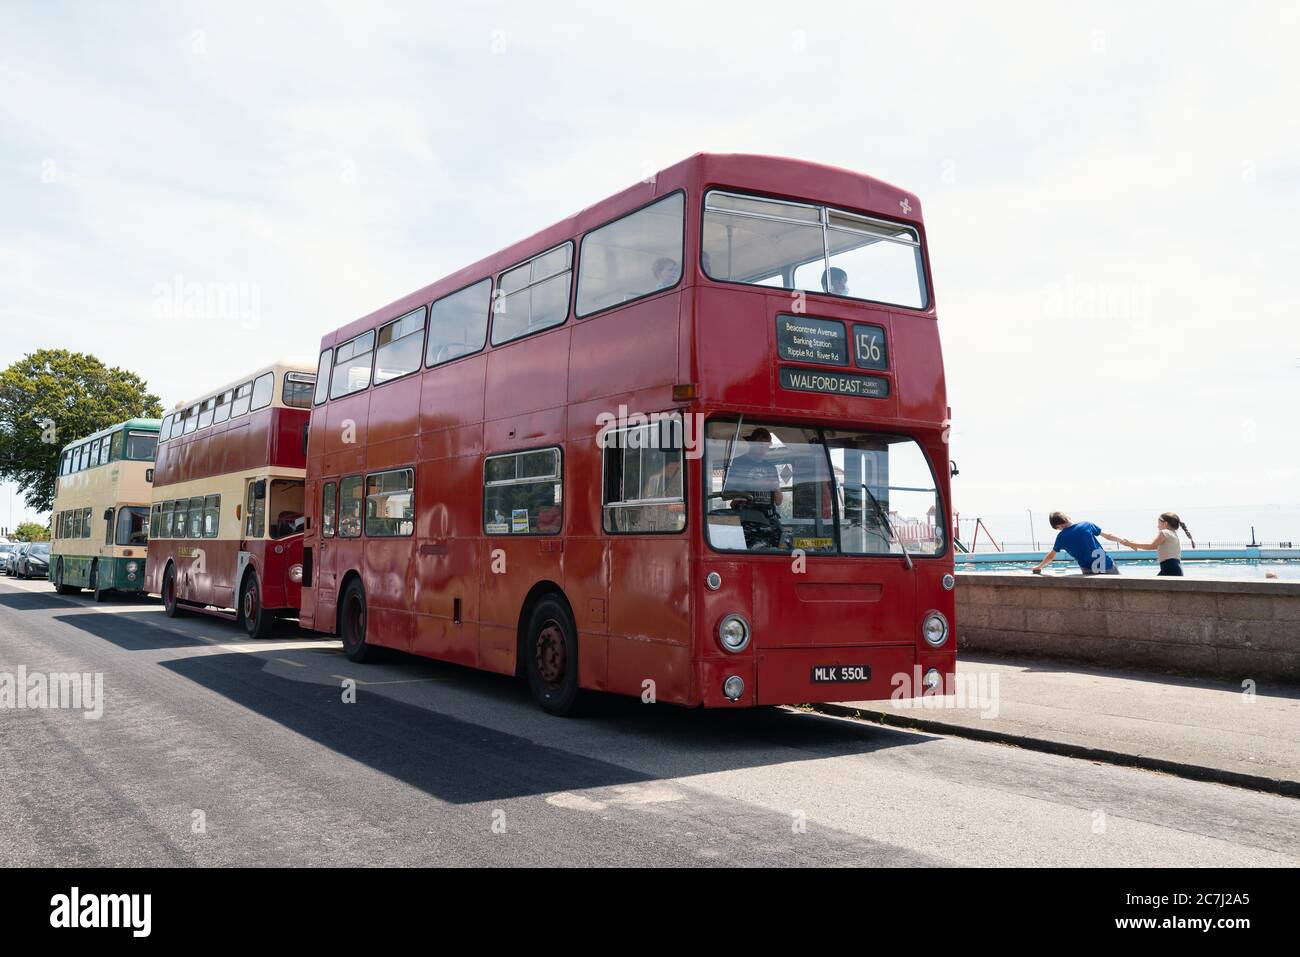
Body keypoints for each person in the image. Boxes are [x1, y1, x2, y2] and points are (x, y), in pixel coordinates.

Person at [1032, 511, 1120, 575]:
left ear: (1058, 526)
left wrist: (1039, 566)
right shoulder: (1087, 524)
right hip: (1107, 566)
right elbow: (1108, 535)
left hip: (1088, 570)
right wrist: (1125, 541)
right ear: (1068, 517)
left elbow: (1051, 555)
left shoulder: (1061, 537)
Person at [1115, 512, 1195, 576]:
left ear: (1165, 524)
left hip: (1169, 568)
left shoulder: (1165, 532)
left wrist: (1131, 544)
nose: (1157, 526)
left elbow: (1151, 546)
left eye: (1159, 523)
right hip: (1175, 568)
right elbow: (1156, 546)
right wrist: (1133, 544)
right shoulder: (1173, 534)